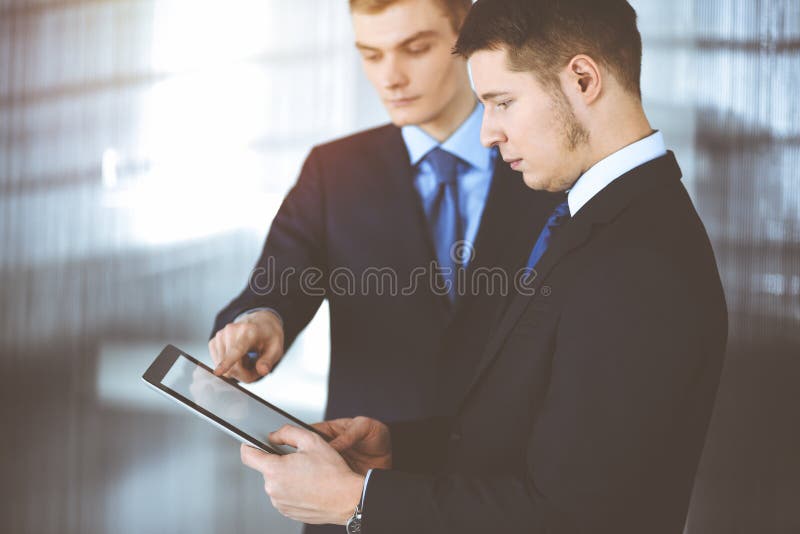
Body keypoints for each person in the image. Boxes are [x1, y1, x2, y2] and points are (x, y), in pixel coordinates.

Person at [237, 1, 729, 533]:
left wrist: (358, 503)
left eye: (502, 102)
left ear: (583, 79)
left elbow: (577, 516)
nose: (489, 134)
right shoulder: (599, 217)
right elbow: (536, 431)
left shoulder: (640, 260)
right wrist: (397, 449)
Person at [211, 0, 559, 532]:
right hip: (356, 488)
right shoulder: (334, 171)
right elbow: (275, 286)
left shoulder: (547, 163)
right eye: (370, 55)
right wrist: (264, 320)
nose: (390, 77)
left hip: (506, 495)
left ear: (467, 36)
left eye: (415, 49)